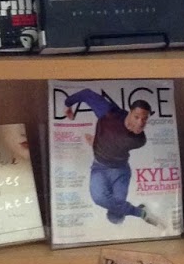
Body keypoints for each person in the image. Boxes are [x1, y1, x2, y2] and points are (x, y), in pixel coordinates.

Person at [62, 87, 163, 227]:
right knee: (99, 198)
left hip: (121, 171)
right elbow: (86, 94)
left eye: (145, 119)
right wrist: (68, 104)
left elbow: (116, 143)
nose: (140, 123)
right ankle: (141, 213)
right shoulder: (109, 113)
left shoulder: (139, 141)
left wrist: (96, 142)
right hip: (100, 168)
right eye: (137, 117)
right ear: (130, 113)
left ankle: (120, 221)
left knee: (116, 215)